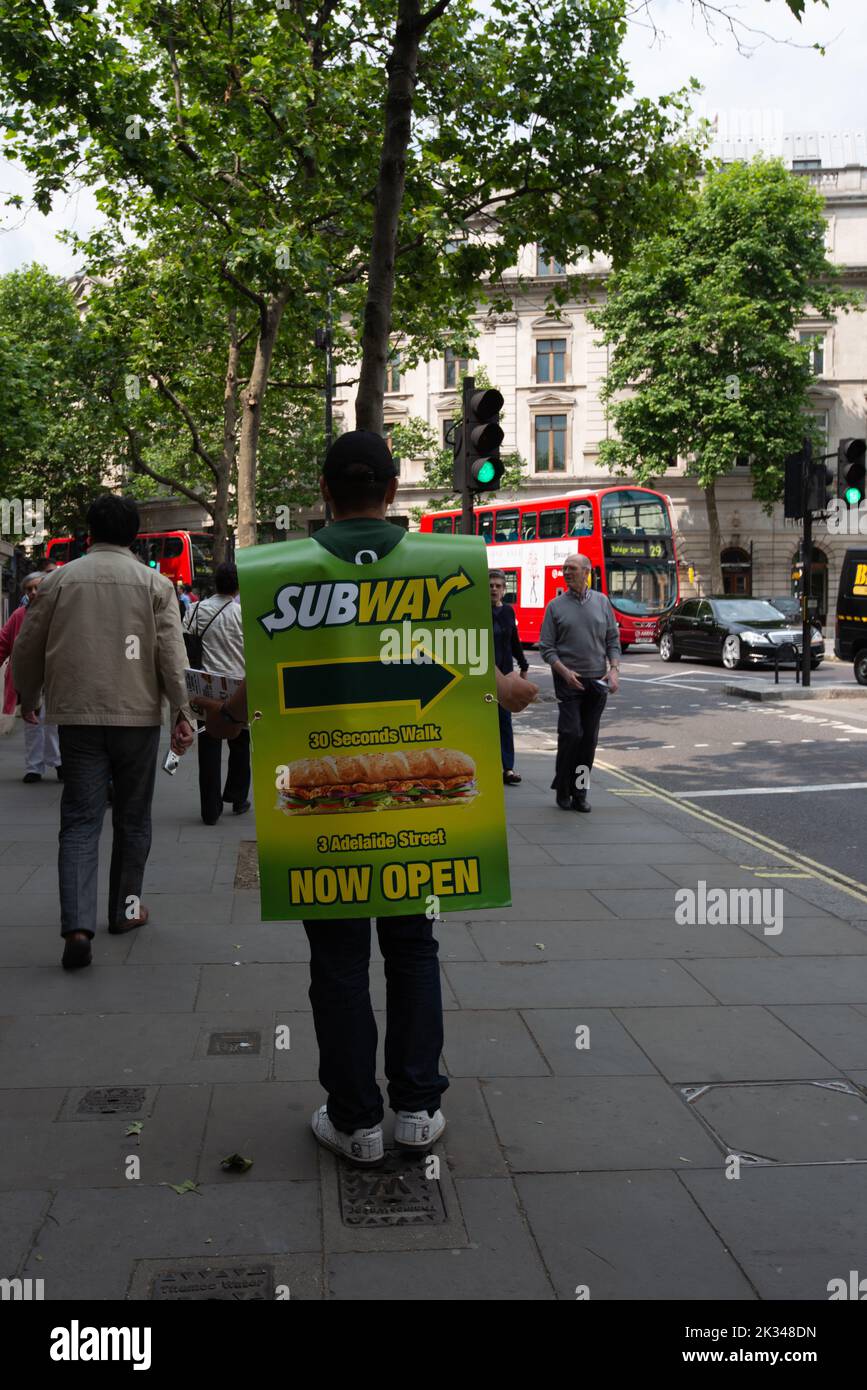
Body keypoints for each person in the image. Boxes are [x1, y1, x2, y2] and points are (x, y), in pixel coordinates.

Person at [193, 432, 539, 1168]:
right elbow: (493, 684)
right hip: (424, 821)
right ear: (391, 489)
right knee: (413, 948)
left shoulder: (275, 571)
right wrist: (517, 690)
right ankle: (416, 1108)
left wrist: (217, 720)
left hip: (319, 820)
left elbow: (257, 689)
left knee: (339, 963)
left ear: (324, 490)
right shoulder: (450, 564)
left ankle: (355, 1122)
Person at [13, 494, 194, 972]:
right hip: (136, 717)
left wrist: (28, 698)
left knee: (79, 820)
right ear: (134, 535)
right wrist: (183, 711)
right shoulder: (155, 584)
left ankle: (77, 926)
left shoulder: (58, 582)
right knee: (134, 819)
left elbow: (27, 647)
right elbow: (173, 658)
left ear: (88, 533)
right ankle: (125, 910)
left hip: (76, 716)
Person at [539, 552, 620, 812]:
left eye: (572, 568)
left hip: (597, 682)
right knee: (571, 734)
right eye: (564, 568)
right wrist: (564, 672)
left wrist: (614, 669)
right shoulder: (555, 606)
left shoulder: (602, 602)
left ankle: (580, 792)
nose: (566, 572)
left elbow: (613, 640)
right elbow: (547, 648)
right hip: (568, 681)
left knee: (589, 742)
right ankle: (563, 787)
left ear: (586, 572)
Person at [183, 560, 250, 824]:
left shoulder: (195, 609)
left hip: (206, 686)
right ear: (238, 586)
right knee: (241, 743)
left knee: (209, 746)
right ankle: (237, 796)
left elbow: (186, 643)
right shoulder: (243, 613)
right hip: (238, 687)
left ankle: (210, 809)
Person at [0, 573, 63, 781]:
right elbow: (4, 642)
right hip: (30, 677)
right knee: (32, 722)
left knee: (53, 722)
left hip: (54, 676)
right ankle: (34, 767)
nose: (33, 592)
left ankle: (58, 762)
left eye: (38, 588)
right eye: (29, 589)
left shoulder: (60, 611)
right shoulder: (19, 615)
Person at [489, 568, 528, 785]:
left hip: (503, 675)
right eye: (490, 585)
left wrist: (523, 666)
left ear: (504, 590)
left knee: (504, 721)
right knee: (483, 721)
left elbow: (514, 641)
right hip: (480, 675)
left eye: (498, 586)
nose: (493, 589)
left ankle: (508, 768)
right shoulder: (476, 610)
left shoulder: (508, 612)